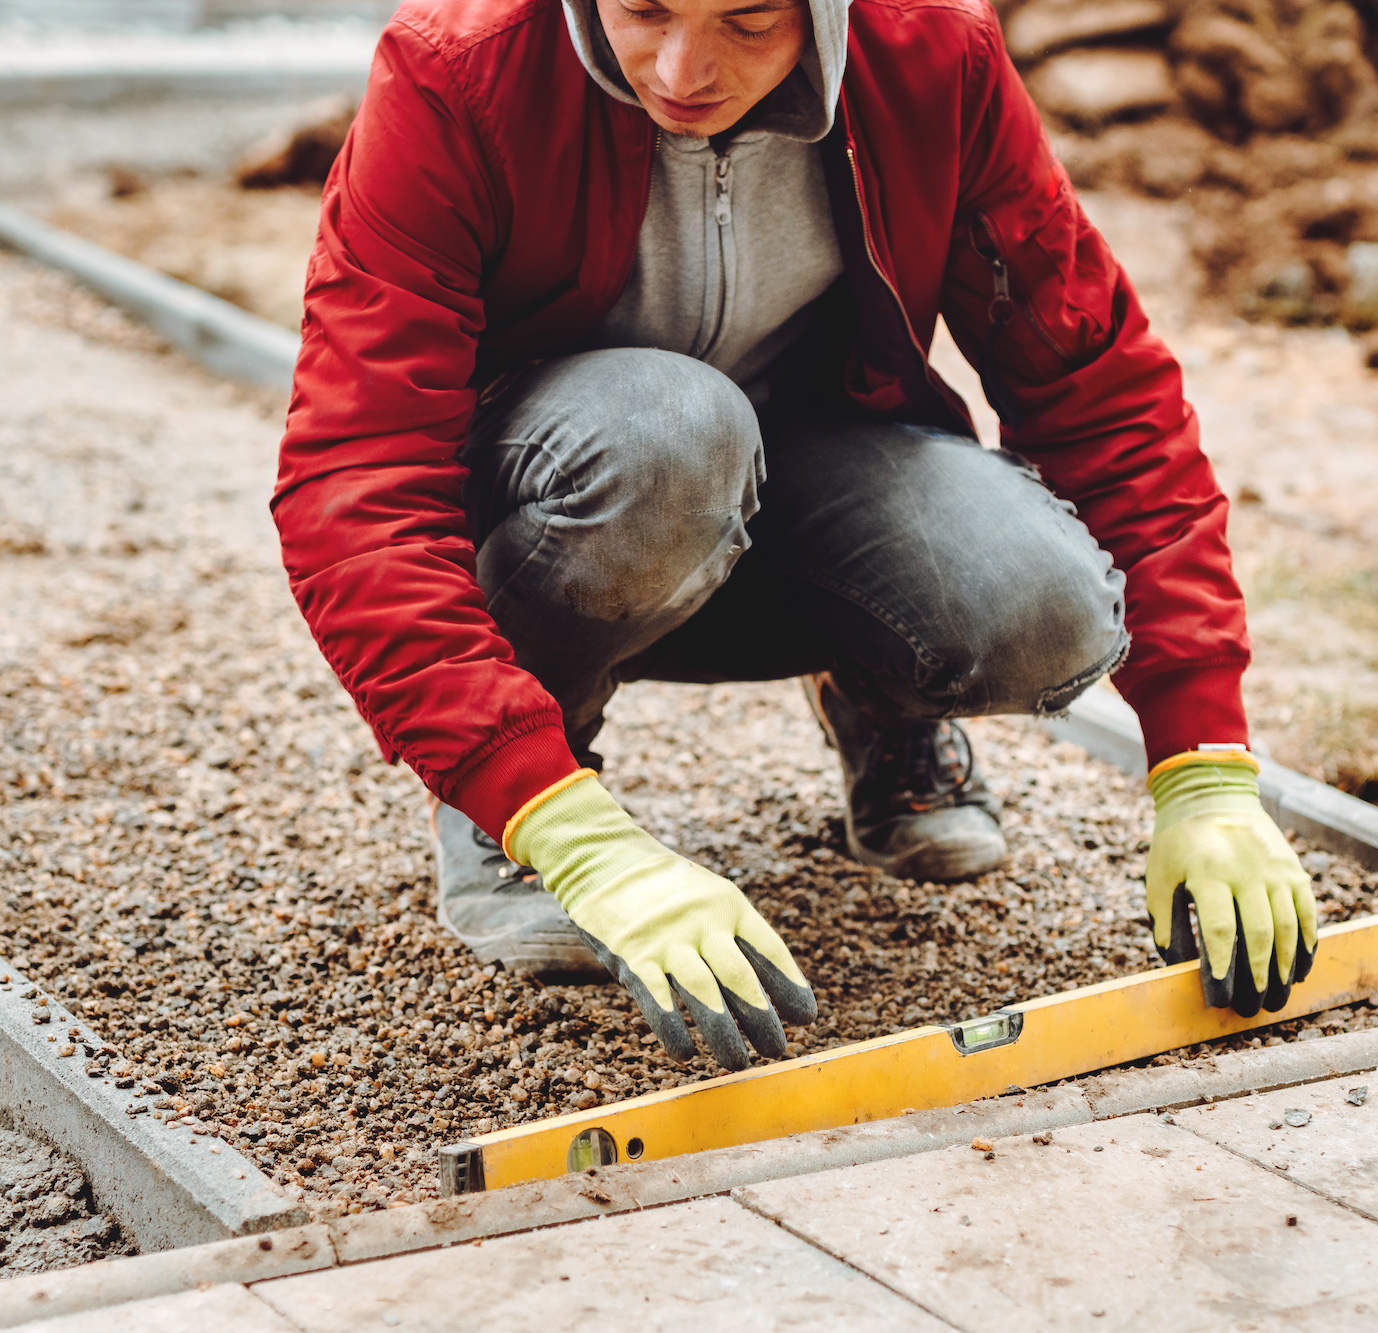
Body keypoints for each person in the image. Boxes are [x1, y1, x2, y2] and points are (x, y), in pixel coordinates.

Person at [274, 0, 1319, 1072]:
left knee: (1044, 604)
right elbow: (354, 480)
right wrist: (547, 811)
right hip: (572, 499)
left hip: (803, 467)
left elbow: (1099, 391)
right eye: (643, 9)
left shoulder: (932, 55)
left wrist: (1203, 766)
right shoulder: (460, 73)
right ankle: (522, 807)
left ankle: (880, 698)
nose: (682, 71)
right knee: (671, 433)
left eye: (748, 21)